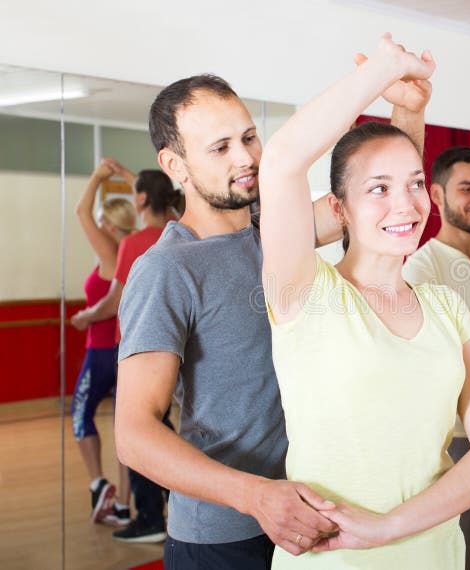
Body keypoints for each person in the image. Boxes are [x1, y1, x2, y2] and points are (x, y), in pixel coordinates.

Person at [113, 68, 434, 568]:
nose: (245, 158)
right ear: (174, 164)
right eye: (219, 148)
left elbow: (383, 204)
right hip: (224, 535)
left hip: (312, 519)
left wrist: (409, 110)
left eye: (247, 137)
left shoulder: (277, 233)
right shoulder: (167, 269)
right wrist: (258, 497)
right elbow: (134, 434)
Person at [259, 34, 470, 569]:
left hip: (436, 555)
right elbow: (282, 160)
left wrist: (387, 528)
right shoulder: (304, 294)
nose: (406, 204)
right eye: (378, 189)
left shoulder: (446, 307)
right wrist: (379, 72)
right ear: (339, 208)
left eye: (417, 183)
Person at [72, 160, 183, 542]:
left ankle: (152, 515)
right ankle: (177, 496)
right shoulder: (181, 230)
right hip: (176, 343)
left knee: (139, 427)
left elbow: (114, 301)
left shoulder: (135, 243)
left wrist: (86, 316)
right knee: (158, 423)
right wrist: (126, 175)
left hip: (134, 345)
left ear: (139, 200)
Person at [71, 159, 137, 525]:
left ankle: (98, 484)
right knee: (124, 429)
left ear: (109, 225)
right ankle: (124, 506)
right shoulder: (135, 247)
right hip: (124, 352)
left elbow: (81, 210)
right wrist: (129, 178)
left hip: (100, 350)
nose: (96, 227)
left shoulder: (111, 252)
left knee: (81, 415)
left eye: (101, 223)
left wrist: (97, 176)